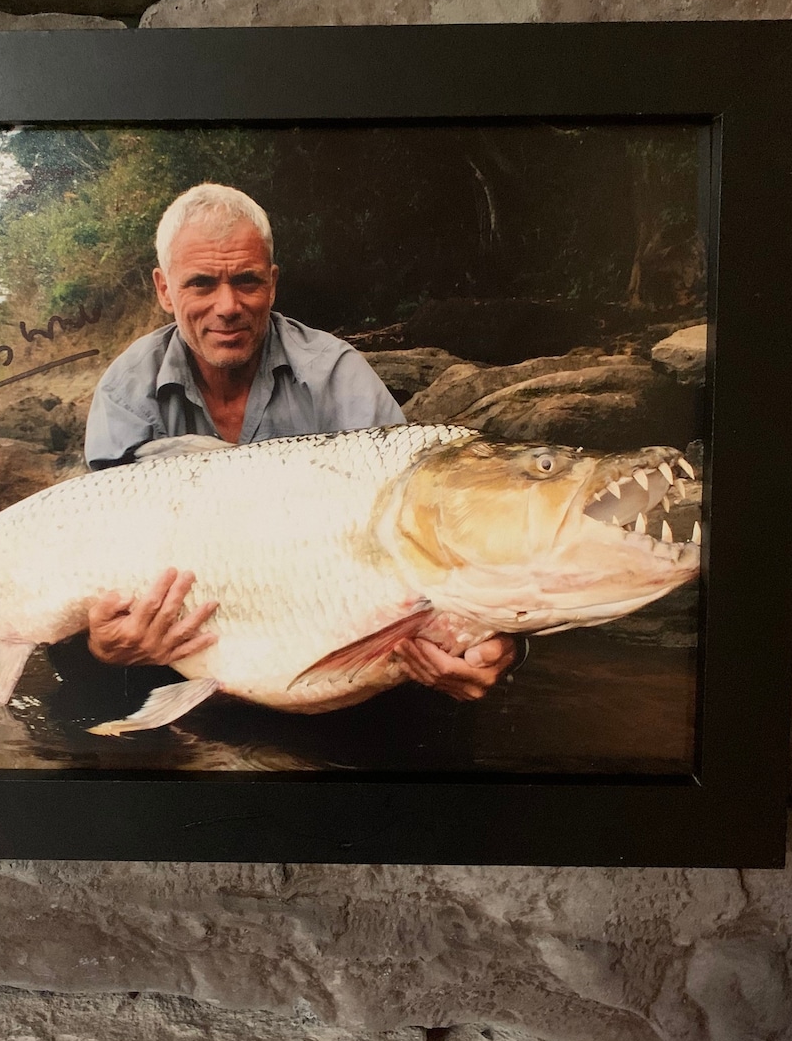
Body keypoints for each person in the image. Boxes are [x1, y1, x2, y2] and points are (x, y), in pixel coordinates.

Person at [83, 183, 517, 702]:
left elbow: (429, 537)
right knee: (81, 659)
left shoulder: (337, 375)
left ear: (273, 283)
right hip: (182, 643)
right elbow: (96, 556)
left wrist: (502, 644)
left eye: (246, 281)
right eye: (201, 284)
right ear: (164, 289)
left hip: (331, 637)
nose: (228, 306)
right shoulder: (126, 392)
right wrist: (103, 645)